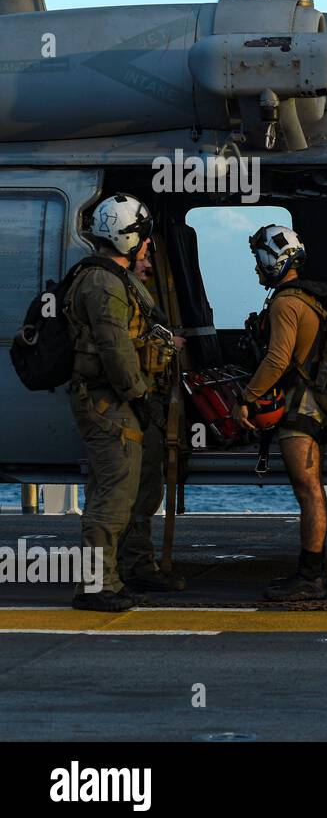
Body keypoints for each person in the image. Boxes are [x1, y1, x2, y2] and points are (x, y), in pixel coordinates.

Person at [65, 195, 183, 612]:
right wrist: (138, 396)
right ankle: (96, 586)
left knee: (134, 488)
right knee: (113, 496)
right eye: (144, 240)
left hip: (123, 400)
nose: (148, 248)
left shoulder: (114, 280)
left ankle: (126, 570)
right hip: (110, 402)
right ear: (128, 238)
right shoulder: (103, 283)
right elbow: (115, 350)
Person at [236, 224, 327, 601]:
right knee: (310, 490)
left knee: (308, 490)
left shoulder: (285, 303)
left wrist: (245, 397)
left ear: (271, 261)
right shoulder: (306, 299)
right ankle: (309, 573)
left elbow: (277, 360)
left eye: (259, 262)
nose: (257, 270)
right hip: (312, 403)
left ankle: (311, 577)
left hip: (301, 408)